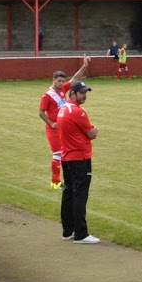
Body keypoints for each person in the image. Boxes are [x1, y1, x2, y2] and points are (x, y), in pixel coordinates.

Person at [56, 81, 100, 243]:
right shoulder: (77, 112)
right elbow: (91, 133)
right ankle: (81, 233)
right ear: (73, 93)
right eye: (81, 93)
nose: (84, 95)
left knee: (68, 193)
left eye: (85, 92)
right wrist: (94, 130)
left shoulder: (63, 109)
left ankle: (68, 230)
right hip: (79, 158)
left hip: (67, 157)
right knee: (80, 194)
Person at [39, 59, 90, 189]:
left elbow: (75, 79)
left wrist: (84, 66)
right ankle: (55, 182)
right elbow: (41, 112)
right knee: (57, 154)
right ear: (54, 80)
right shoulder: (47, 96)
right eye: (59, 81)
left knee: (64, 153)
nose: (61, 83)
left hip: (63, 127)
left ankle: (60, 181)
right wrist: (51, 124)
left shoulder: (63, 89)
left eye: (63, 81)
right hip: (53, 129)